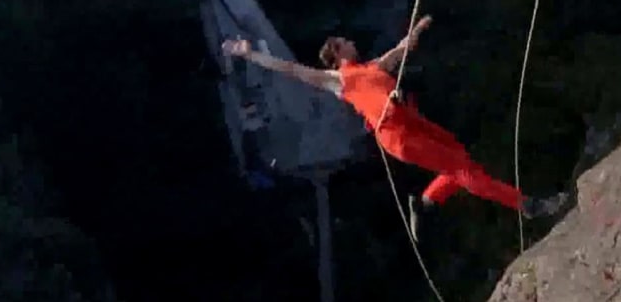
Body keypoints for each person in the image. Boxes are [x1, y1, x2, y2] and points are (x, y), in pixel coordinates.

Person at [221, 16, 568, 242]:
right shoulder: (337, 80)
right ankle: (528, 205)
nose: (351, 42)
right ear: (338, 52)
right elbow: (292, 70)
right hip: (395, 134)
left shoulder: (371, 66)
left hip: (410, 120)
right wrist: (250, 54)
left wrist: (416, 30)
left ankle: (426, 202)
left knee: (459, 156)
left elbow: (399, 53)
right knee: (463, 170)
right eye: (345, 41)